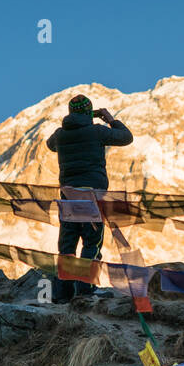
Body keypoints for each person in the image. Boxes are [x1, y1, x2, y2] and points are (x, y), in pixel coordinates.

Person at [46, 94, 133, 302]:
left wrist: (67, 127)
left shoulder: (60, 135)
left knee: (67, 245)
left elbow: (50, 144)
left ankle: (63, 294)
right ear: (89, 113)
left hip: (67, 197)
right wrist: (109, 119)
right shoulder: (97, 131)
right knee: (91, 243)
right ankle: (86, 289)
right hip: (92, 196)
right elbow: (126, 137)